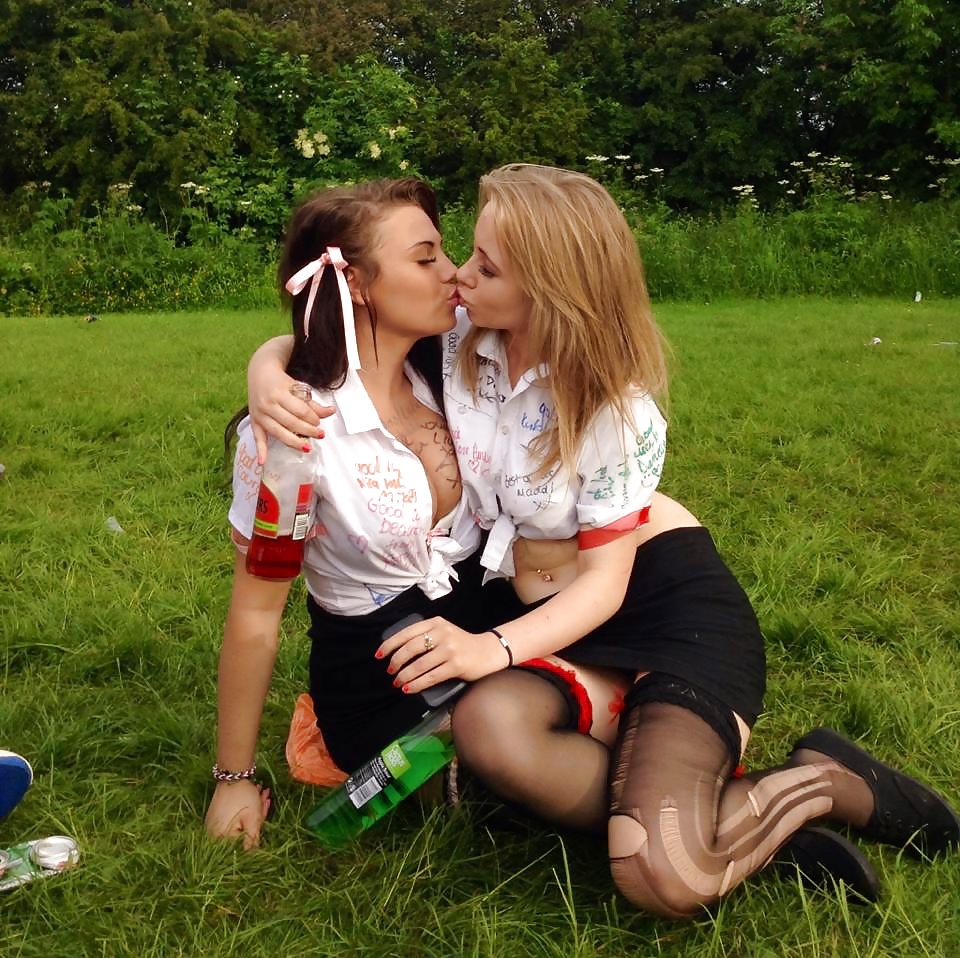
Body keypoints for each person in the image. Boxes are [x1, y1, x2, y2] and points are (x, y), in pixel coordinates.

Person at [245, 165, 959, 914]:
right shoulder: (458, 344)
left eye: (486, 265)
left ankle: (819, 781)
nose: (460, 274)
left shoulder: (616, 410)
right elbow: (344, 332)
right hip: (557, 626)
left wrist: (490, 650)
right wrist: (269, 373)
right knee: (491, 729)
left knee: (664, 878)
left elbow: (607, 584)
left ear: (549, 291)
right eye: (465, 253)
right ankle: (730, 820)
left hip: (662, 616)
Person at [206, 177, 501, 849]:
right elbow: (256, 614)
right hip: (381, 672)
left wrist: (268, 356)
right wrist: (233, 777)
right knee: (512, 753)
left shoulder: (456, 358)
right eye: (426, 258)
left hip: (489, 627)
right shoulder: (295, 435)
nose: (454, 272)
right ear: (357, 284)